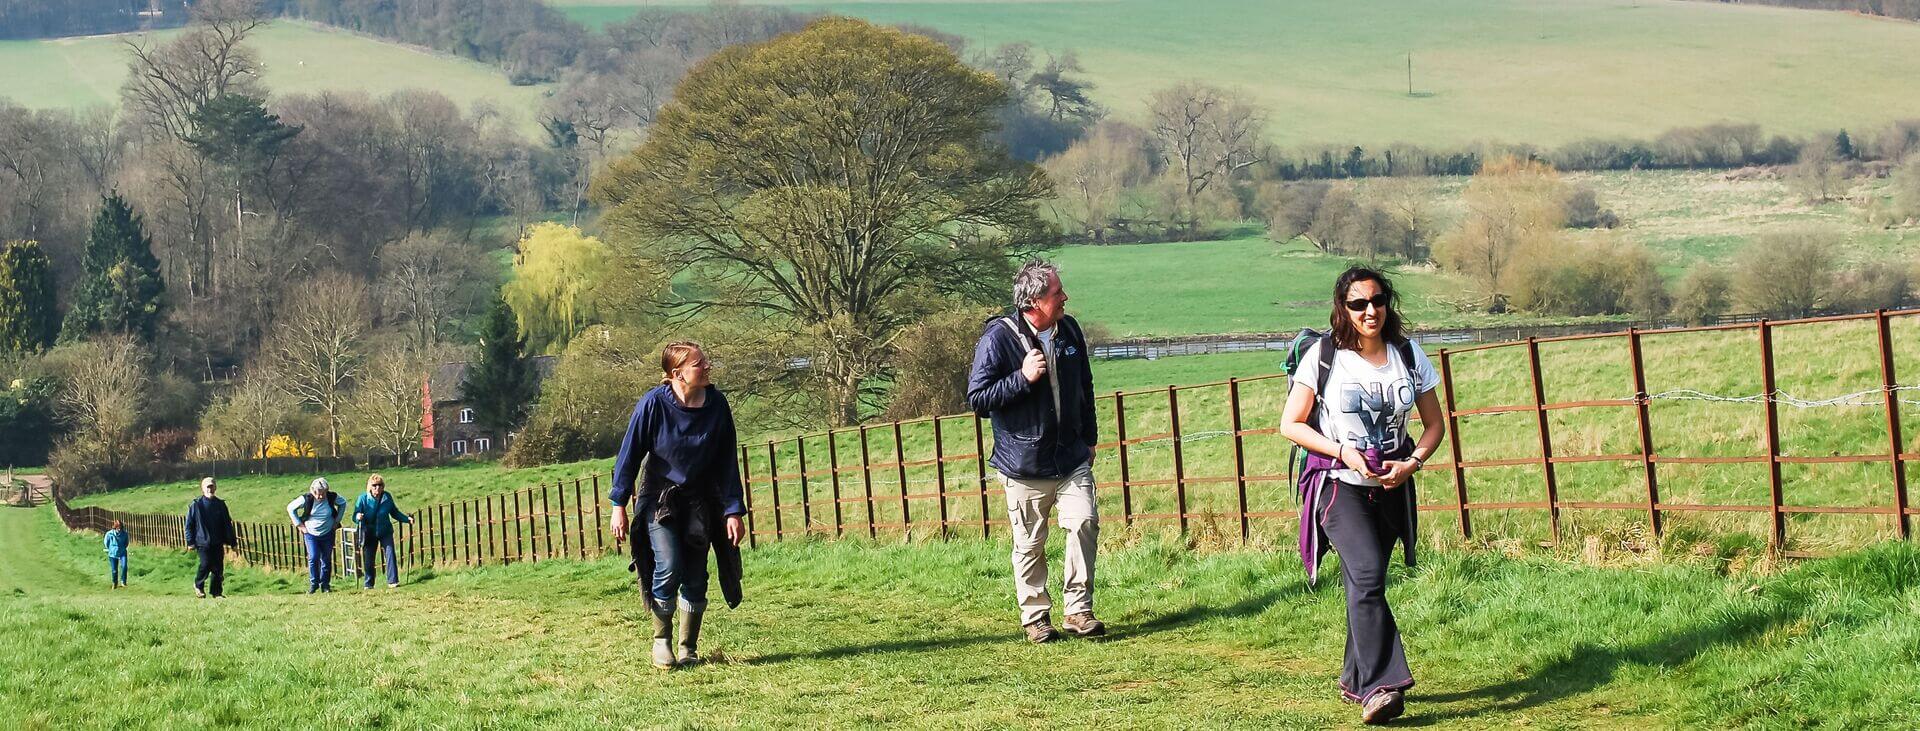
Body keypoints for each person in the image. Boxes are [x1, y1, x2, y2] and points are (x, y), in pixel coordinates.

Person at [1280, 266, 1445, 726]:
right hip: (1339, 485)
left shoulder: (1408, 355)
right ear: (1343, 309)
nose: (1369, 311)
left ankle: (1355, 677)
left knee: (1363, 583)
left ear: (1387, 303)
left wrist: (1412, 463)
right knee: (1369, 575)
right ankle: (1380, 686)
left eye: (1376, 300)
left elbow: (1435, 424)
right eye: (1357, 304)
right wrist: (1342, 452)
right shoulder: (1324, 356)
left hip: (1393, 487)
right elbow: (1290, 424)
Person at [966, 259, 1104, 643]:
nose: (1065, 298)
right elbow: (978, 399)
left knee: (1084, 523)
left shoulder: (1070, 330)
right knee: (1030, 544)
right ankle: (1035, 617)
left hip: (1071, 457)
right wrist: (1021, 378)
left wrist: (1089, 438)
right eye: (1057, 294)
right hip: (1023, 464)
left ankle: (1078, 611)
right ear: (1033, 303)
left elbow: (1085, 387)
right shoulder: (998, 339)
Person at [608, 341, 747, 670]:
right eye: (699, 363)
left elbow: (727, 462)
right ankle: (662, 642)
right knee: (669, 566)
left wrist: (732, 510)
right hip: (659, 499)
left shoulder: (716, 405)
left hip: (701, 502)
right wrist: (619, 503)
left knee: (696, 576)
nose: (707, 366)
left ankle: (688, 647)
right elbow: (629, 455)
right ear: (677, 374)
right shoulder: (653, 405)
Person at [287, 477, 348, 594]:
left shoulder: (332, 497)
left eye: (322, 494)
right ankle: (314, 584)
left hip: (328, 533)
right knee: (314, 557)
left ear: (327, 491)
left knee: (326, 559)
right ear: (312, 491)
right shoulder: (306, 499)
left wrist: (337, 521)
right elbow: (290, 508)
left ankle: (325, 585)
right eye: (317, 493)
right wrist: (299, 525)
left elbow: (343, 503)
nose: (320, 496)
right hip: (311, 533)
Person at [353, 474, 413, 589]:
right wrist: (358, 517)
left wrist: (407, 519)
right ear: (369, 486)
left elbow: (394, 512)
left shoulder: (387, 497)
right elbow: (355, 516)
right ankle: (369, 584)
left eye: (380, 485)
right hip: (369, 532)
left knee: (390, 554)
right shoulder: (363, 498)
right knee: (369, 558)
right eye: (374, 485)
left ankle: (393, 581)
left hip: (385, 530)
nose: (377, 488)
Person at [184, 477, 237, 598]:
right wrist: (190, 542)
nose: (210, 489)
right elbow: (189, 525)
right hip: (202, 542)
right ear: (203, 489)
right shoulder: (196, 505)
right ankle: (198, 585)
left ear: (215, 488)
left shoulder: (220, 505)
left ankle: (216, 592)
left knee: (218, 568)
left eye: (212, 486)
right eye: (208, 487)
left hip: (217, 541)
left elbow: (227, 524)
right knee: (205, 564)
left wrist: (233, 543)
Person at [104, 520, 129, 588]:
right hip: (112, 554)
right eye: (118, 528)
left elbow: (126, 543)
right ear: (115, 527)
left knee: (124, 567)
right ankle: (114, 583)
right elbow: (106, 543)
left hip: (122, 552)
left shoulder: (125, 534)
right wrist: (111, 549)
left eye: (120, 528)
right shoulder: (109, 534)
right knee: (114, 570)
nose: (119, 529)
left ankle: (123, 581)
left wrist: (122, 548)